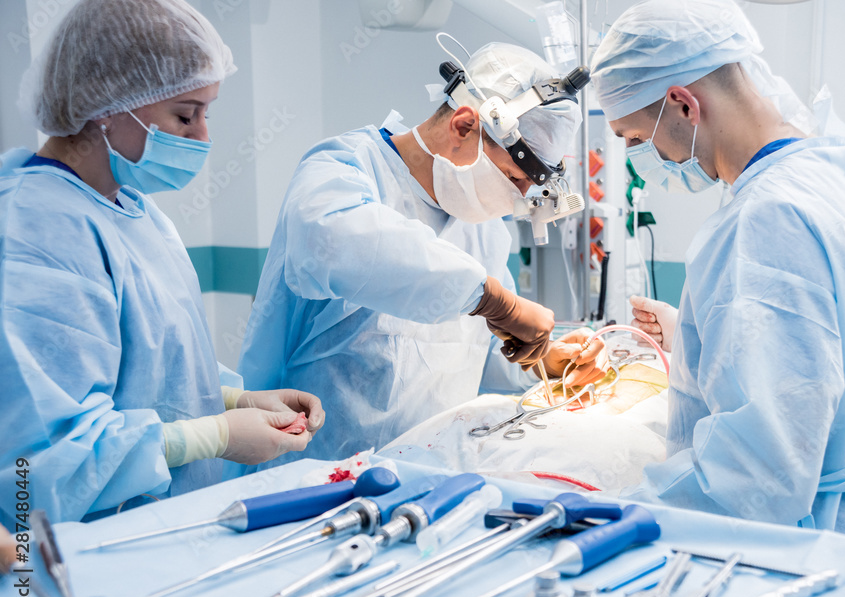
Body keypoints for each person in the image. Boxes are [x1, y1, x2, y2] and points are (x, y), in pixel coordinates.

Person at [591, 0, 845, 560]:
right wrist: (701, 341)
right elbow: (838, 351)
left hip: (805, 552)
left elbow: (758, 475)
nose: (639, 157)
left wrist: (619, 516)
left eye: (633, 137)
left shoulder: (766, 217)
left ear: (683, 105)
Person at [0, 0, 324, 527]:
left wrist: (234, 399)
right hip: (77, 552)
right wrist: (213, 434)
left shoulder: (135, 210)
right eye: (184, 114)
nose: (203, 136)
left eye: (206, 113)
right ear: (107, 102)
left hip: (166, 524)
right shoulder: (32, 227)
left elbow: (145, 370)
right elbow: (41, 460)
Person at [238, 42, 607, 466]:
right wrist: (492, 299)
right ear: (465, 126)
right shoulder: (342, 170)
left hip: (429, 474)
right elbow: (337, 243)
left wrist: (539, 359)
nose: (516, 200)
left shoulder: (481, 223)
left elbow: (472, 352)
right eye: (512, 178)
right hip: (313, 474)